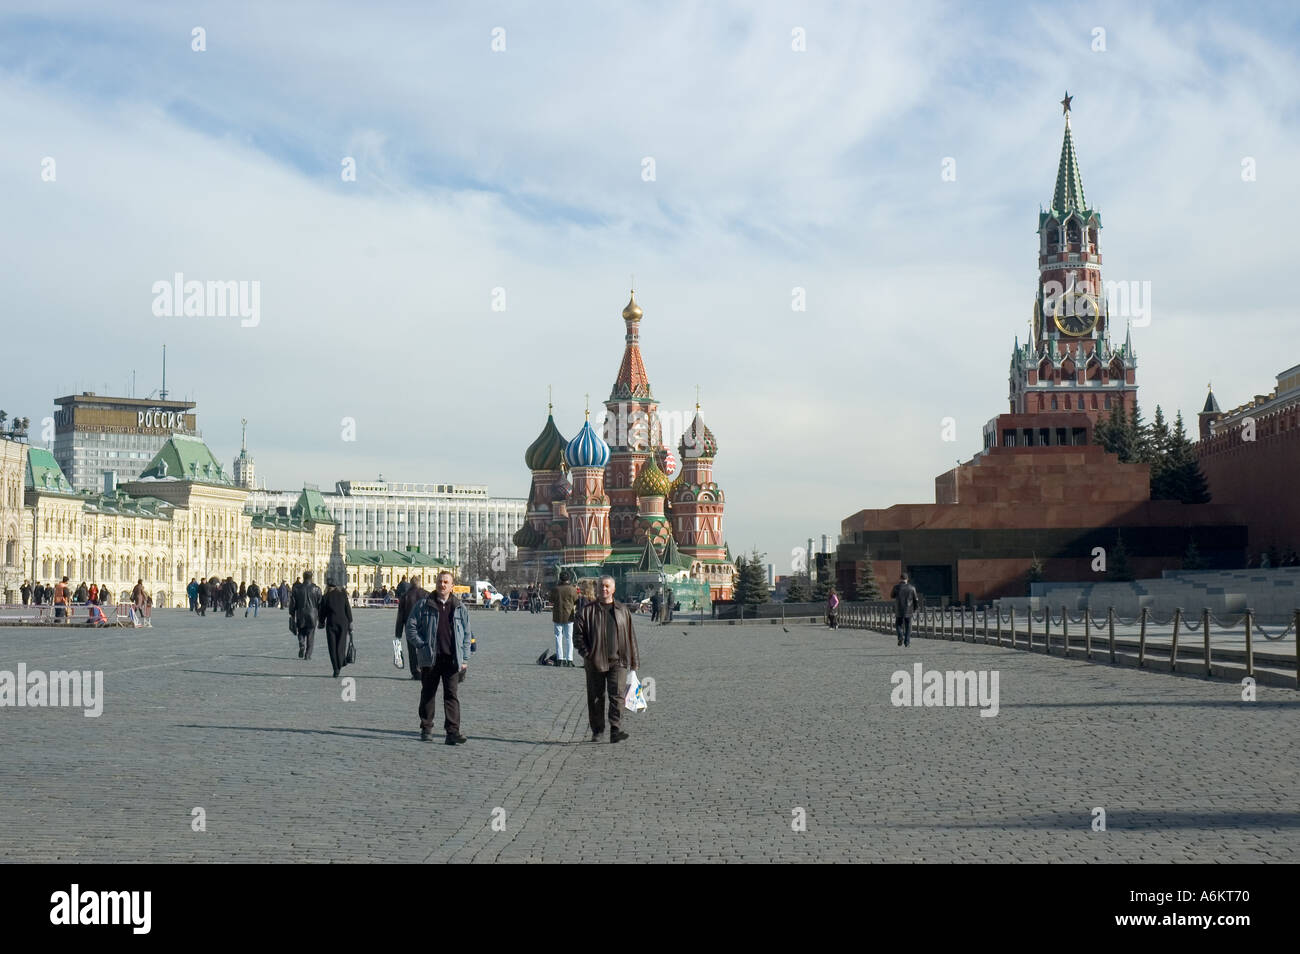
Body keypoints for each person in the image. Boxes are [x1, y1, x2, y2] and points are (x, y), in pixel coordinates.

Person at [405, 570, 472, 745]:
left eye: (445, 582)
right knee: (428, 693)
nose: (442, 584)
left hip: (451, 658)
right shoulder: (423, 604)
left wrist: (464, 659)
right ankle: (426, 728)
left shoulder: (459, 607)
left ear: (452, 586)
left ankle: (452, 732)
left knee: (451, 695)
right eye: (440, 581)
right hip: (431, 658)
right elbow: (411, 626)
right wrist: (421, 644)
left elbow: (467, 634)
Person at [573, 574, 640, 743]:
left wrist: (634, 661)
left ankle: (615, 729)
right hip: (595, 660)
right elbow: (578, 637)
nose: (604, 589)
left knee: (617, 695)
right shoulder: (587, 611)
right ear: (596, 589)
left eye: (607, 586)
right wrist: (588, 655)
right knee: (596, 697)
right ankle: (598, 730)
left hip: (619, 660)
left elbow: (630, 636)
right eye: (601, 586)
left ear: (613, 589)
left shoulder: (622, 610)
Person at [318, 578, 354, 679]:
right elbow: (347, 608)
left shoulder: (326, 596)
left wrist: (321, 622)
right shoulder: (343, 594)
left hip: (331, 623)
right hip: (343, 622)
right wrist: (350, 621)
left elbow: (322, 612)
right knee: (341, 644)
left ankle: (336, 668)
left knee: (332, 646)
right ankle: (341, 661)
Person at [395, 574, 427, 680]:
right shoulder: (427, 594)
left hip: (410, 628)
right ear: (419, 583)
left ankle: (415, 672)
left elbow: (400, 616)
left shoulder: (405, 596)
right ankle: (425, 670)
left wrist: (398, 633)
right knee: (424, 648)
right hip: (424, 626)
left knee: (412, 651)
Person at [288, 571, 322, 660]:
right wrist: (321, 616)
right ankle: (308, 655)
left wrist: (292, 613)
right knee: (311, 634)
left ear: (303, 577)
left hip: (300, 613)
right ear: (311, 577)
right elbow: (320, 603)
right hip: (313, 614)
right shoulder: (317, 589)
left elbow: (293, 603)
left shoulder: (297, 588)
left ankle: (302, 643)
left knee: (301, 631)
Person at [550, 569, 578, 668]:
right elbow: (576, 601)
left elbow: (551, 600)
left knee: (558, 637)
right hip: (569, 616)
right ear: (568, 579)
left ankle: (560, 659)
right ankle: (569, 660)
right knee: (569, 638)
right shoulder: (572, 589)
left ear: (560, 578)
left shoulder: (556, 589)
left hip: (558, 616)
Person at [891, 573, 919, 647]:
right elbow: (915, 599)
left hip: (899, 609)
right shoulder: (912, 588)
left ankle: (900, 637)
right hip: (908, 610)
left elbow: (892, 596)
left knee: (898, 624)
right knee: (908, 626)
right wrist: (915, 608)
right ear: (907, 579)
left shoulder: (896, 587)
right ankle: (907, 643)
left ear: (900, 579)